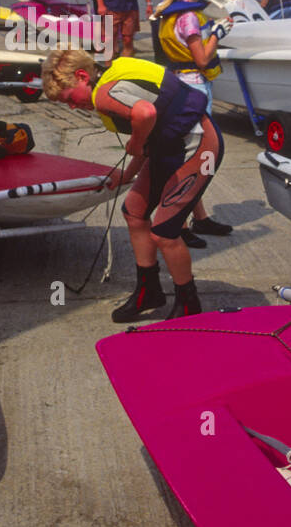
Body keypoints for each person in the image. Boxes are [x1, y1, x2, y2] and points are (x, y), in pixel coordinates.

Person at [42, 48, 224, 323]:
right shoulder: (110, 76)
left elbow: (145, 113)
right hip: (171, 145)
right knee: (134, 211)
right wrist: (127, 174)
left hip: (199, 144)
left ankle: (188, 305)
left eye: (69, 98)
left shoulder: (103, 94)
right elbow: (151, 130)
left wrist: (136, 144)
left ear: (82, 77)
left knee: (165, 230)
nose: (71, 106)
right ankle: (148, 290)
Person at [152, 0, 233, 248]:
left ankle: (198, 216)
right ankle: (178, 221)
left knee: (189, 153)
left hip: (178, 81)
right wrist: (218, 34)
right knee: (194, 156)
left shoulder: (167, 12)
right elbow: (201, 59)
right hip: (195, 85)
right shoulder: (189, 17)